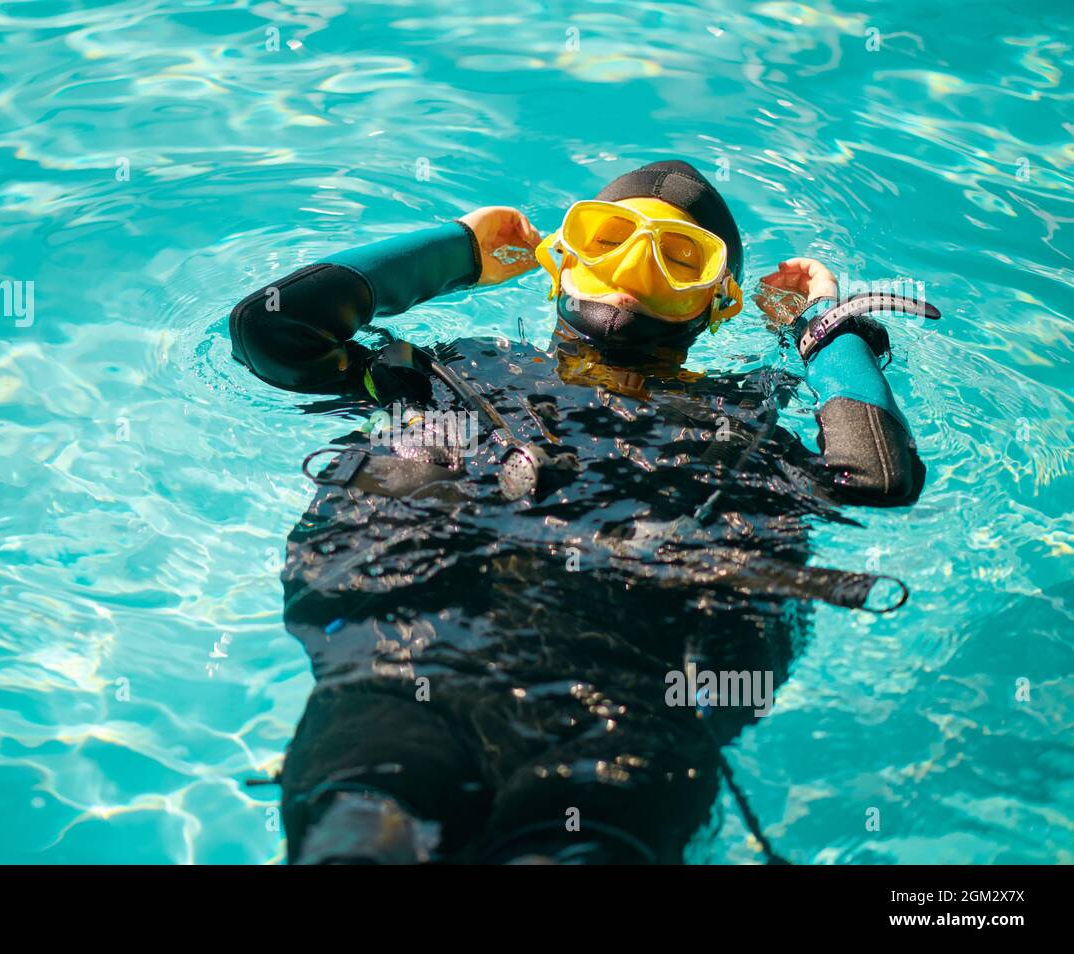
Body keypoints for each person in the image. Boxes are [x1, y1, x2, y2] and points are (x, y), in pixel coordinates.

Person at [229, 160, 936, 864]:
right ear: (559, 262)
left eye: (679, 258)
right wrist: (459, 251)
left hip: (629, 704)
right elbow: (276, 328)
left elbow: (875, 475)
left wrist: (822, 322)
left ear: (718, 303)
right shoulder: (455, 373)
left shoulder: (741, 421)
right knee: (363, 836)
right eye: (607, 239)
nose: (634, 265)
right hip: (407, 659)